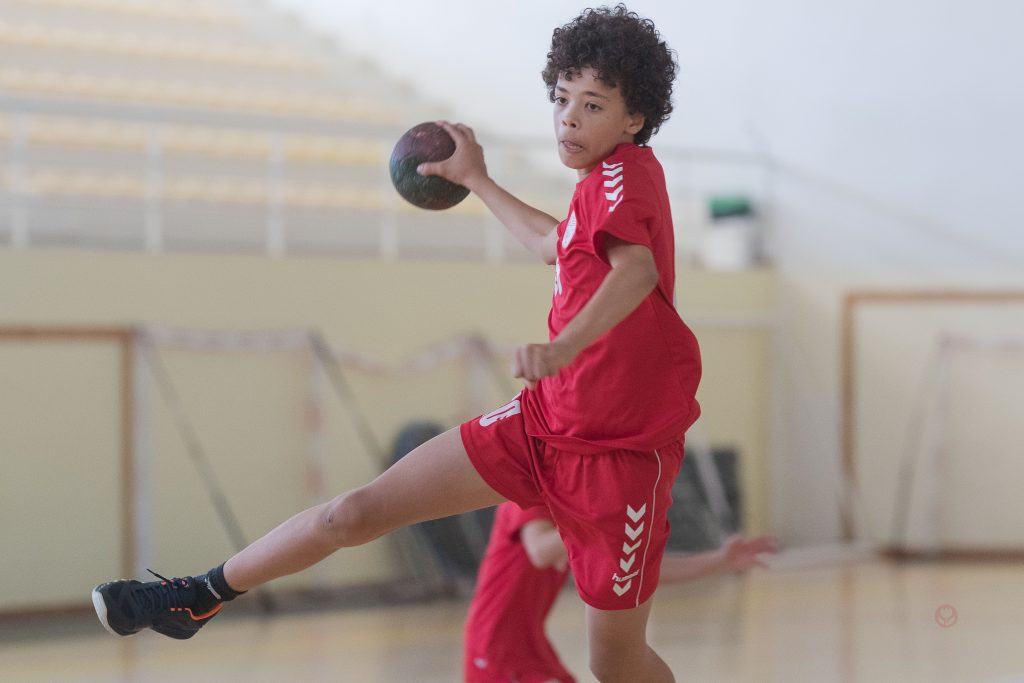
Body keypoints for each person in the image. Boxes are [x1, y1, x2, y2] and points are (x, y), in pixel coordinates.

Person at [93, 6, 700, 681]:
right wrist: (474, 178)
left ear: (634, 119)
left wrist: (563, 348)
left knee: (616, 667)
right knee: (354, 511)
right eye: (562, 99)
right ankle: (197, 595)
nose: (569, 118)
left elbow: (635, 272)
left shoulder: (628, 175)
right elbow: (547, 243)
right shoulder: (594, 191)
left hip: (620, 459)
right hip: (544, 424)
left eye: (593, 104)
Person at [464, 502, 777, 683]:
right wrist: (603, 516)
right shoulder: (529, 493)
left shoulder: (570, 512)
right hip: (494, 648)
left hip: (530, 647)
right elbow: (539, 551)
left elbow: (633, 574)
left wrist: (718, 561)